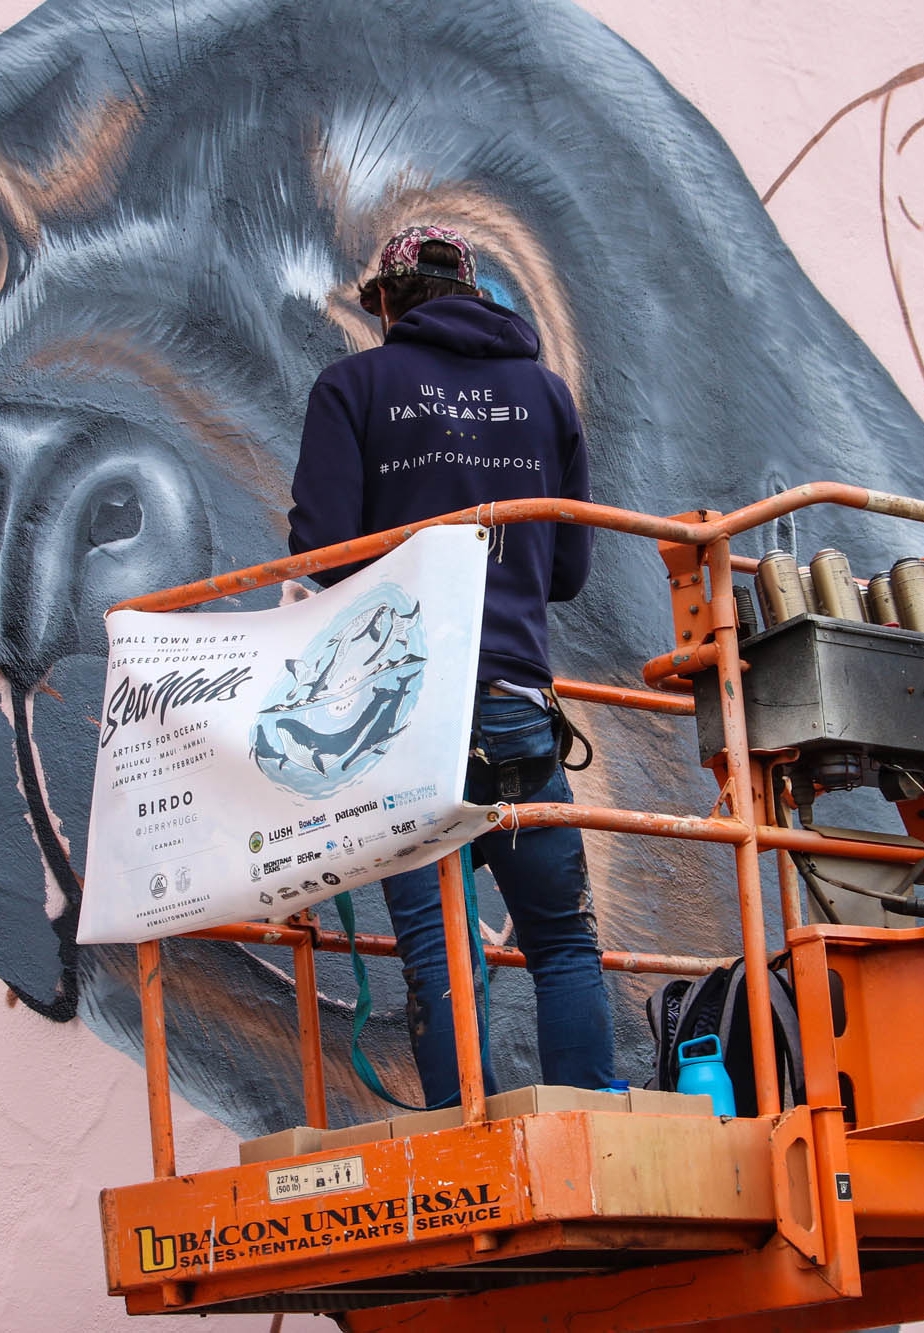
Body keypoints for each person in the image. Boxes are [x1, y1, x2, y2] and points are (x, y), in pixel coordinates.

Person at [286, 223, 614, 1107]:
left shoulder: (355, 386)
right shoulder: (546, 397)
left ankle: (468, 1138)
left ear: (386, 302)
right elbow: (571, 573)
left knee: (439, 948)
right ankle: (591, 1119)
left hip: (403, 708)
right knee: (563, 942)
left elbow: (321, 550)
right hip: (516, 703)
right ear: (477, 293)